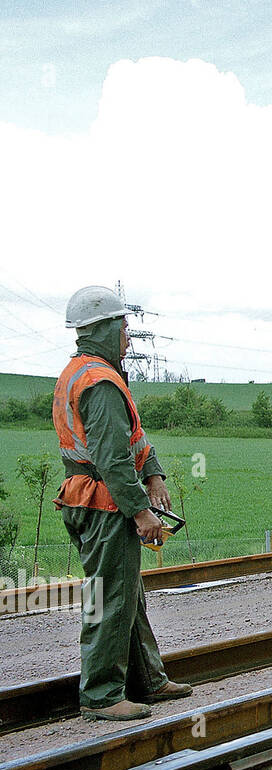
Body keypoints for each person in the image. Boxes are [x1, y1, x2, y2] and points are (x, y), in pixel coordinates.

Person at [52, 286, 192, 720]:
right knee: (109, 596)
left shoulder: (88, 372)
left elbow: (131, 436)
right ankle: (101, 696)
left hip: (96, 499)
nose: (129, 334)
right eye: (123, 325)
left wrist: (153, 471)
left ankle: (147, 678)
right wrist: (142, 512)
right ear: (105, 328)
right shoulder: (99, 382)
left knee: (126, 593)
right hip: (104, 502)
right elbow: (112, 459)